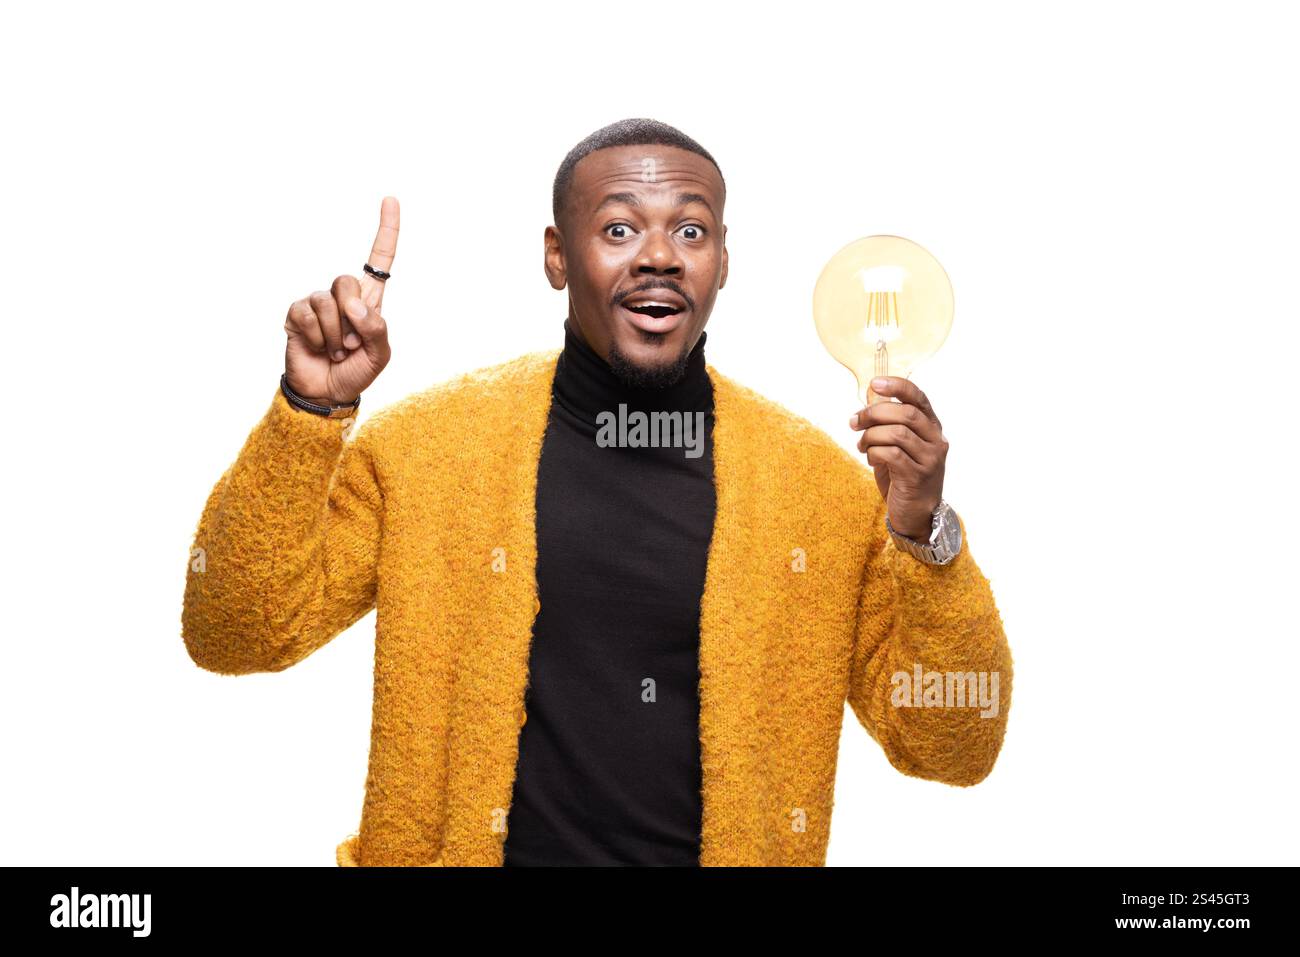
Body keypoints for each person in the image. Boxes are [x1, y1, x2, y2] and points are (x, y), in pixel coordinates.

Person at [181, 117, 1013, 867]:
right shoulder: (428, 450)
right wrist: (309, 410)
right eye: (619, 228)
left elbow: (952, 745)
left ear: (723, 260)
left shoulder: (819, 492)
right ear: (556, 255)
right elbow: (238, 631)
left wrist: (923, 532)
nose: (658, 254)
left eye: (690, 229)